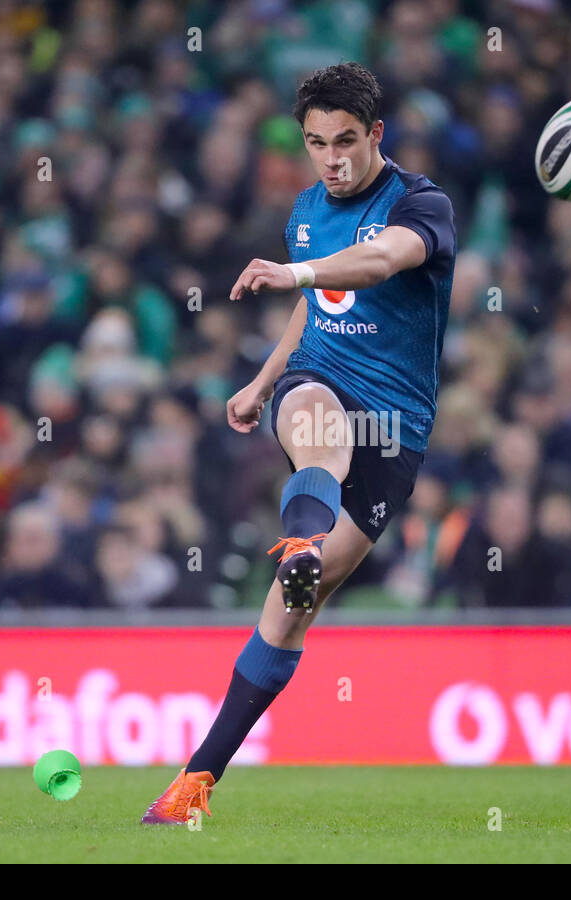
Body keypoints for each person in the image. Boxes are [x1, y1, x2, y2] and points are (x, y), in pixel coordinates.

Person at [140, 62, 456, 824]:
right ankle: (192, 784)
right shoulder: (307, 210)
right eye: (317, 143)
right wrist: (260, 381)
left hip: (397, 426)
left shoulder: (421, 203)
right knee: (312, 414)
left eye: (346, 141)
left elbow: (379, 263)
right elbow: (311, 312)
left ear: (376, 134)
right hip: (321, 381)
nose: (332, 159)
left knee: (289, 614)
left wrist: (295, 270)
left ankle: (303, 555)